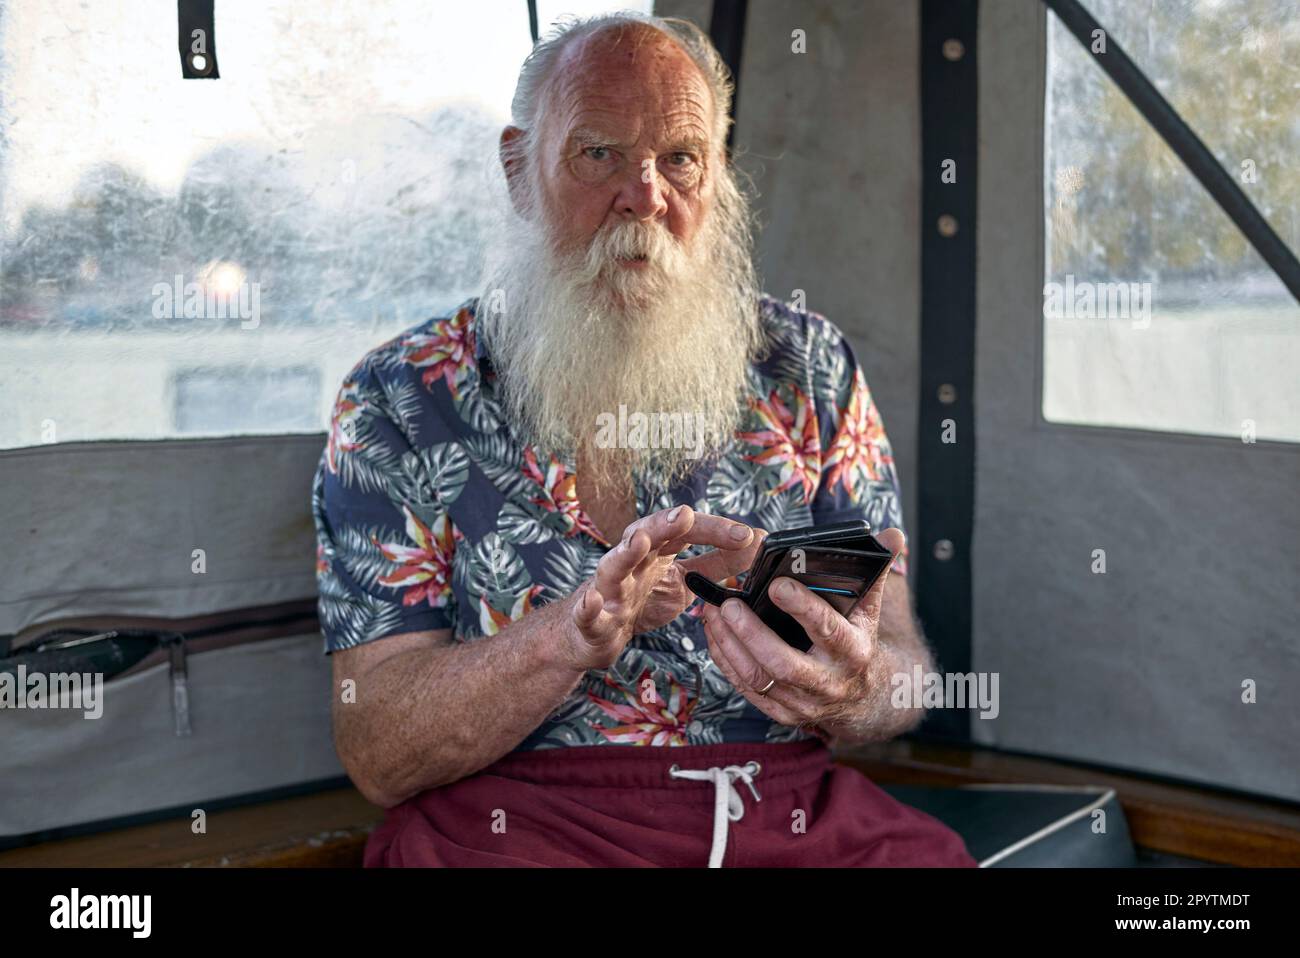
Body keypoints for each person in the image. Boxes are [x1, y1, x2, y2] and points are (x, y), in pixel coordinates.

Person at [311, 11, 976, 868]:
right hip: (525, 831)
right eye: (600, 155)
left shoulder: (805, 366)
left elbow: (905, 675)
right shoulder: (401, 396)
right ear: (519, 170)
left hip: (787, 821)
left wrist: (853, 690)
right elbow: (378, 749)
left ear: (718, 175)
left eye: (680, 159)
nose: (646, 194)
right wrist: (566, 638)